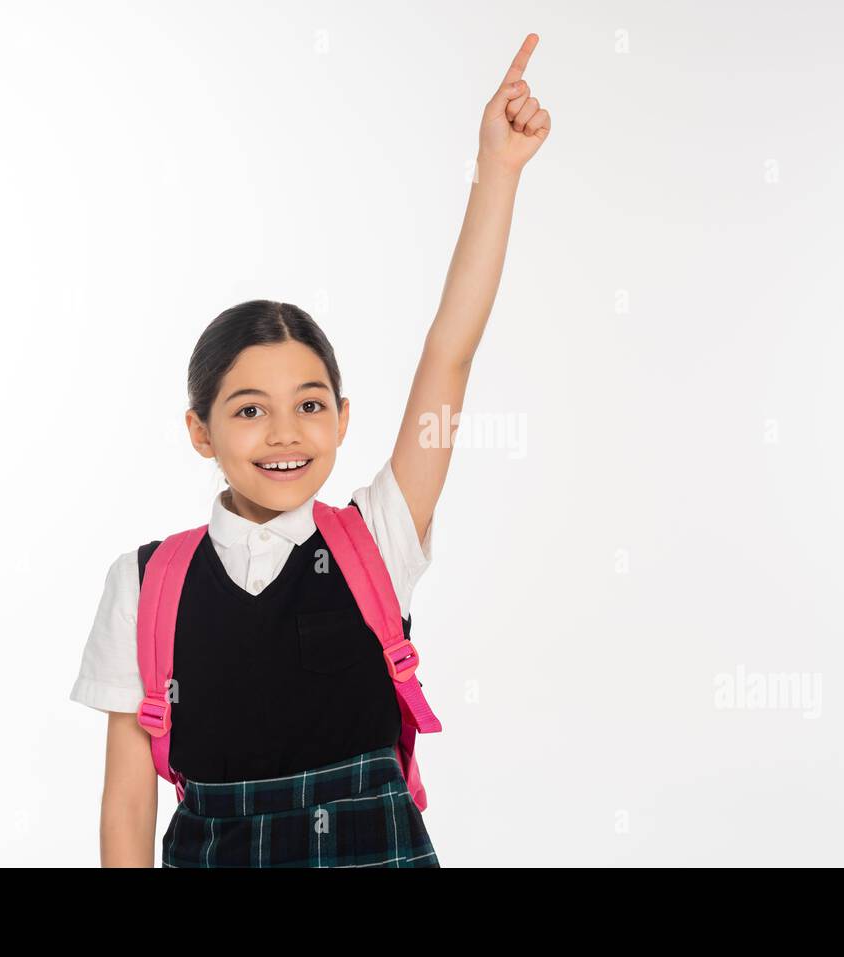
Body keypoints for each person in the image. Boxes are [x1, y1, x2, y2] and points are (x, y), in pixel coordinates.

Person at [68, 33, 550, 867]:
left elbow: (450, 353)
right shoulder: (145, 584)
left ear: (342, 416)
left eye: (310, 405)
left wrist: (496, 173)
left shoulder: (377, 541)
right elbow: (126, 805)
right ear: (199, 431)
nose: (286, 433)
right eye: (249, 409)